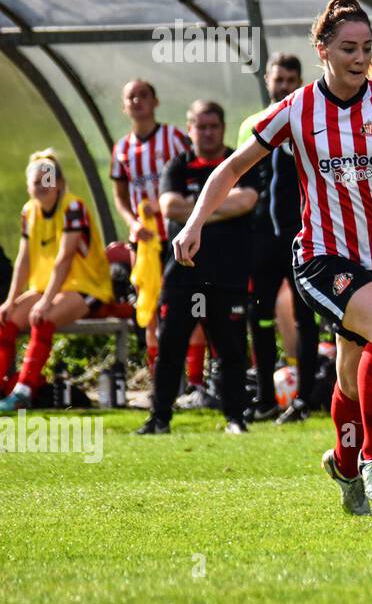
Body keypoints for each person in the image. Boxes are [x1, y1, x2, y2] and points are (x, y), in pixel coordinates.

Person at [170, 0, 372, 515]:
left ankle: (345, 464)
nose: (359, 57)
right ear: (323, 49)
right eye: (349, 48)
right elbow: (231, 168)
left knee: (351, 373)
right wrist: (194, 222)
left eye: (367, 48)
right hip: (321, 257)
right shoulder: (296, 109)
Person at [134, 101, 260, 435]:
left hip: (228, 275)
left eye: (213, 126)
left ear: (222, 127)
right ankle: (159, 417)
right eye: (200, 127)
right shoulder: (177, 166)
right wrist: (217, 207)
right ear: (189, 129)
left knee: (232, 351)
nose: (207, 133)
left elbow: (247, 200)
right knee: (170, 348)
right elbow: (169, 207)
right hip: (183, 276)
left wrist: (197, 213)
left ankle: (235, 417)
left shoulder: (238, 160)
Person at [234, 53, 322, 423]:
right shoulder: (251, 124)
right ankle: (266, 397)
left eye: (290, 80)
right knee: (259, 314)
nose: (283, 85)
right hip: (261, 239)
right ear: (267, 80)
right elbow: (239, 173)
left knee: (306, 316)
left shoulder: (308, 118)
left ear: (299, 81)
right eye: (278, 79)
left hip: (299, 235)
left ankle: (305, 399)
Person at [0, 151, 113, 410]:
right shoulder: (29, 212)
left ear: (60, 184)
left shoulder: (73, 207)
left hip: (86, 287)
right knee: (5, 319)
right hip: (46, 289)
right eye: (36, 182)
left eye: (47, 180)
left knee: (42, 317)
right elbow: (23, 260)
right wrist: (9, 301)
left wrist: (46, 301)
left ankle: (24, 391)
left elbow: (65, 258)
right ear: (28, 186)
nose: (42, 186)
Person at [109, 80, 192, 372]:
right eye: (130, 97)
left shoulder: (174, 138)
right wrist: (132, 223)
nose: (137, 101)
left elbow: (195, 172)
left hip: (176, 234)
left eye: (143, 95)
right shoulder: (121, 148)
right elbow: (120, 197)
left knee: (185, 301)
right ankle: (159, 375)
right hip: (143, 241)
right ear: (124, 106)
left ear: (155, 101)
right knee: (149, 304)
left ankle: (194, 378)